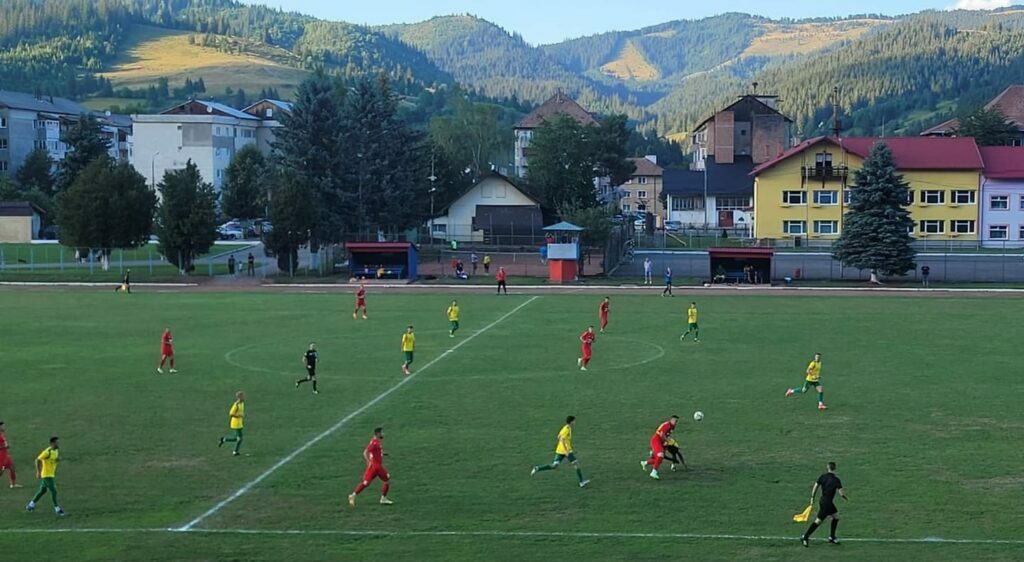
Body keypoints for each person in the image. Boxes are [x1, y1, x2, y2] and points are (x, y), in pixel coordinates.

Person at [530, 416, 590, 488]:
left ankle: (537, 468)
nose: (575, 422)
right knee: (576, 464)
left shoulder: (565, 428)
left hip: (559, 450)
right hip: (567, 451)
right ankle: (581, 482)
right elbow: (561, 439)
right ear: (571, 422)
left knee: (554, 465)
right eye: (574, 421)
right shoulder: (567, 429)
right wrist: (566, 451)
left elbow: (558, 436)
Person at [800, 461, 849, 547]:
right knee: (818, 521)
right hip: (827, 504)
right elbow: (841, 493)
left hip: (824, 501)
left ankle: (832, 537)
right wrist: (845, 497)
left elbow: (815, 487)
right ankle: (805, 537)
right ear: (835, 468)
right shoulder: (836, 480)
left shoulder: (823, 477)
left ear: (827, 467)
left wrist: (812, 497)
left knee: (836, 517)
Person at [348, 427, 393, 506]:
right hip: (376, 467)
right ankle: (383, 498)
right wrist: (368, 462)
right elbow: (365, 452)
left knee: (366, 483)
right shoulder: (374, 443)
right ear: (378, 434)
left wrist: (382, 454)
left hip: (374, 466)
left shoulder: (376, 441)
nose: (383, 434)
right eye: (382, 433)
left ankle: (352, 495)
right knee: (387, 479)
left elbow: (375, 452)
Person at [25, 436, 64, 516]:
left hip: (51, 474)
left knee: (43, 491)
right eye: (57, 442)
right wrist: (38, 472)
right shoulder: (47, 452)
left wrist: (57, 460)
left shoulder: (55, 451)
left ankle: (30, 505)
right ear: (52, 443)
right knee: (54, 491)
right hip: (46, 475)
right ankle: (57, 508)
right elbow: (37, 460)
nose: (58, 444)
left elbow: (52, 460)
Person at [641, 415, 678, 480]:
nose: (676, 422)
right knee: (660, 455)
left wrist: (667, 442)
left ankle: (645, 463)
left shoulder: (672, 426)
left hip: (661, 441)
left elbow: (666, 435)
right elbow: (661, 434)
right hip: (656, 440)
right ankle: (653, 472)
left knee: (659, 459)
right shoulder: (667, 425)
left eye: (677, 421)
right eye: (675, 421)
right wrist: (667, 441)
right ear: (671, 420)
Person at [218, 391, 245, 456]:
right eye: (243, 396)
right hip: (235, 424)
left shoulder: (242, 403)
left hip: (240, 423)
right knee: (239, 439)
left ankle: (224, 439)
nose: (244, 397)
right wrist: (240, 416)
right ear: (239, 397)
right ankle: (235, 451)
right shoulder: (236, 404)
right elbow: (231, 414)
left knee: (237, 438)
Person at [0, 421, 21, 488]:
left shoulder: (2, 434)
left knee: (12, 468)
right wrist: (5, 447)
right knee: (1, 472)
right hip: (1, 457)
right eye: (3, 426)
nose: (4, 427)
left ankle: (13, 484)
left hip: (6, 456)